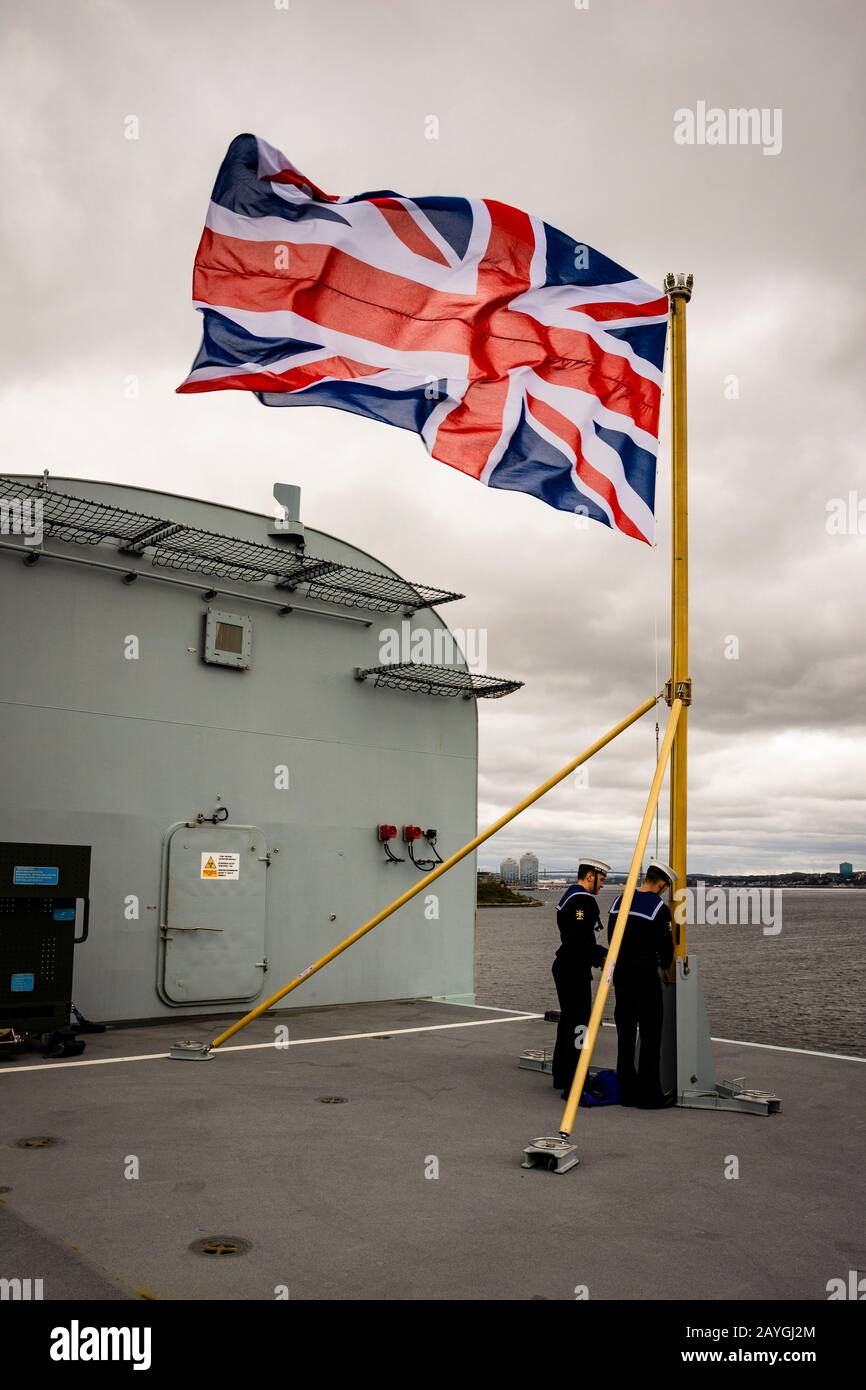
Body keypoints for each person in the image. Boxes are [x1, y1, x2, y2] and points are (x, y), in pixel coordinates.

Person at [607, 860, 676, 1109]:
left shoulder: (619, 903)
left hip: (622, 978)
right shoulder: (659, 909)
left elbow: (611, 939)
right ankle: (649, 1096)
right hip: (645, 979)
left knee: (625, 1036)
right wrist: (661, 964)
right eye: (666, 887)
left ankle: (626, 1092)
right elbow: (666, 951)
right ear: (662, 884)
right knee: (649, 1037)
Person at [551, 858, 610, 1096]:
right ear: (589, 876)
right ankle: (578, 1080)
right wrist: (602, 956)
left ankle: (562, 1074)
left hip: (565, 966)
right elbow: (580, 941)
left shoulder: (569, 895)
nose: (602, 885)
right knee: (580, 1026)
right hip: (574, 969)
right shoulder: (583, 901)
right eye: (601, 880)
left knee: (567, 1022)